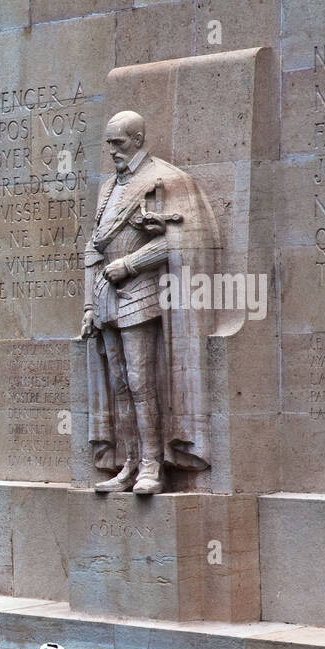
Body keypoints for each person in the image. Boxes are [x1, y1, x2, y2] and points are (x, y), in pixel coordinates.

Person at [80, 110, 221, 494]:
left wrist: (130, 263)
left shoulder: (165, 180)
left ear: (138, 139)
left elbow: (185, 239)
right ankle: (128, 463)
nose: (111, 150)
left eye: (118, 142)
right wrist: (90, 306)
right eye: (108, 143)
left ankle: (151, 465)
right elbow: (94, 246)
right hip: (105, 295)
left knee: (142, 382)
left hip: (141, 291)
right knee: (120, 383)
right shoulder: (108, 187)